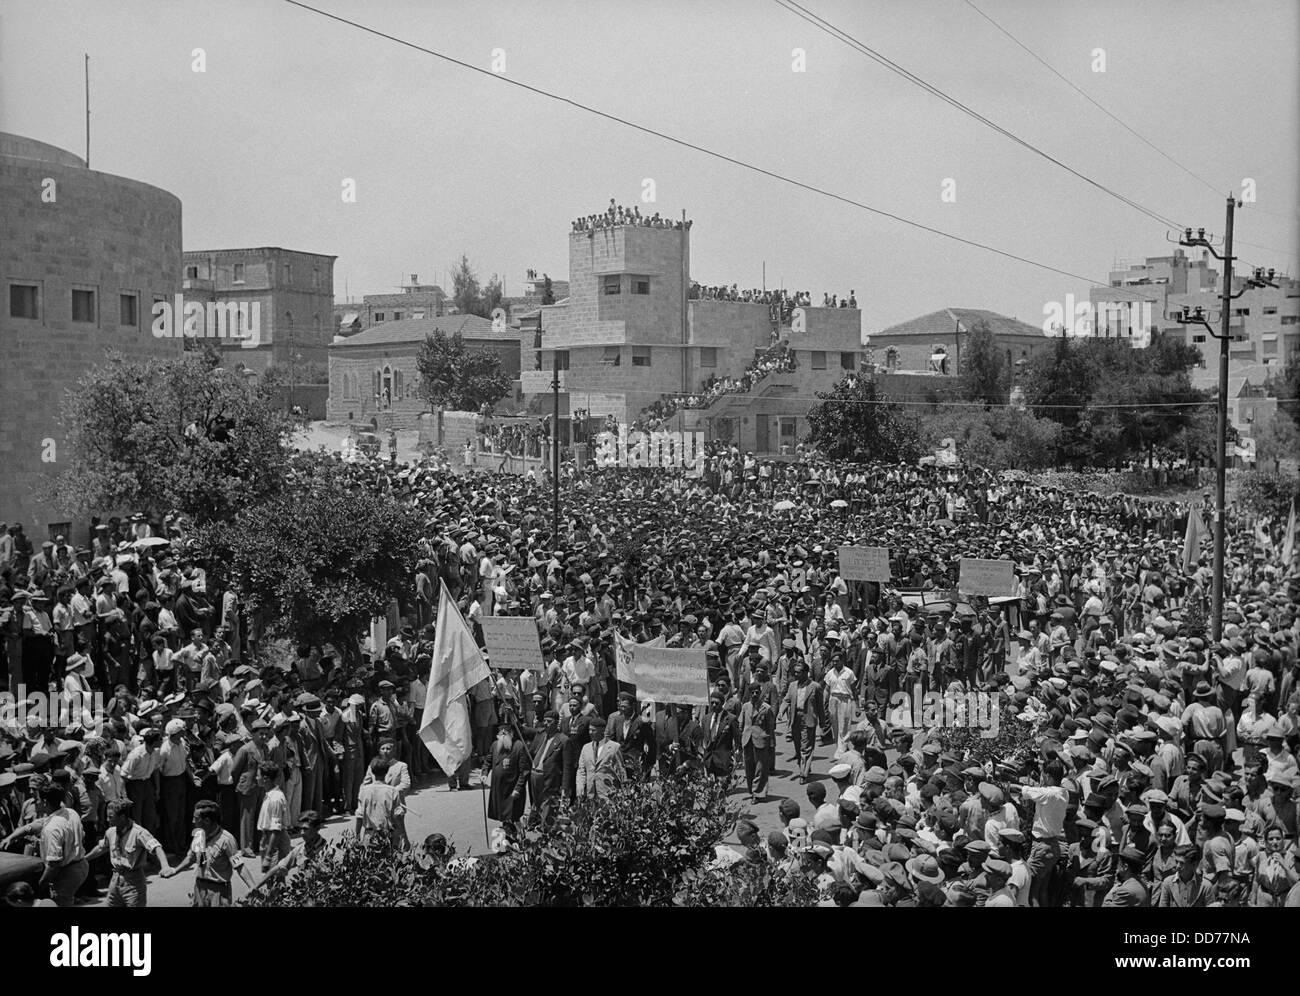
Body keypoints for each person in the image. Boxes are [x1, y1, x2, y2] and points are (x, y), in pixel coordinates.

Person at [161, 799, 255, 906]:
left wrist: (253, 887)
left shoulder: (227, 840)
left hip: (218, 892)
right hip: (200, 888)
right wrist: (174, 870)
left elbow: (239, 866)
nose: (193, 821)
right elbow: (191, 857)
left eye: (196, 818)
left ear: (207, 821)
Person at [84, 799, 173, 907]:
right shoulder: (110, 832)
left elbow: (157, 847)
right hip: (115, 881)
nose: (107, 820)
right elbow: (101, 848)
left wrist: (165, 866)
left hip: (133, 884)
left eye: (111, 817)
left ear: (122, 817)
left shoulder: (139, 833)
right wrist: (84, 859)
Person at [38, 781, 88, 907]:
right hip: (81, 865)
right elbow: (83, 836)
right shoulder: (71, 812)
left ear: (45, 802)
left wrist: (41, 884)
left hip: (67, 873)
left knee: (60, 903)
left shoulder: (52, 828)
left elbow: (54, 864)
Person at [486, 720, 527, 836]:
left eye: (506, 733)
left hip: (512, 789)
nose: (503, 736)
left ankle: (520, 837)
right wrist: (484, 773)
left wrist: (518, 789)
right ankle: (506, 838)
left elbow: (523, 771)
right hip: (499, 789)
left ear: (511, 734)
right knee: (503, 817)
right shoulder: (495, 745)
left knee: (514, 816)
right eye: (501, 733)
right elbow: (488, 760)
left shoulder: (518, 746)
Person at [739, 679, 776, 802]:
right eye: (752, 692)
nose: (755, 695)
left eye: (757, 692)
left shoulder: (766, 708)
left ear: (761, 693)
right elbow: (741, 723)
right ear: (749, 694)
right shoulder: (745, 707)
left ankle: (758, 793)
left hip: (761, 741)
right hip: (747, 740)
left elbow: (771, 727)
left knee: (761, 768)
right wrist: (740, 740)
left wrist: (771, 744)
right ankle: (752, 790)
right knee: (749, 768)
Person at [354, 757, 405, 845]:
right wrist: (404, 836)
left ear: (372, 772)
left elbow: (359, 815)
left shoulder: (364, 790)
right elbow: (398, 815)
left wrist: (357, 836)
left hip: (369, 834)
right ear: (387, 772)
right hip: (389, 834)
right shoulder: (392, 791)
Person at [576, 716, 625, 799]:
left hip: (608, 795)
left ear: (602, 730)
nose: (590, 732)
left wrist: (624, 792)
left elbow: (621, 770)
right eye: (589, 730)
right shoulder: (586, 748)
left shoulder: (614, 747)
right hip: (591, 795)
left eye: (593, 730)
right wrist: (580, 786)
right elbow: (581, 770)